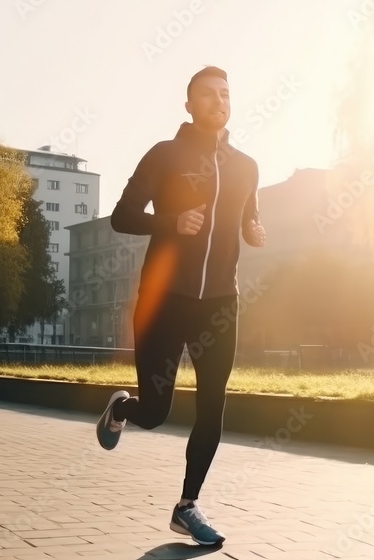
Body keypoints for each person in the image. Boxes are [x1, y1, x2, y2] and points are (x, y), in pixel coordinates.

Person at [97, 66, 265, 546]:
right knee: (157, 410)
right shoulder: (166, 155)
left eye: (226, 93)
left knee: (213, 406)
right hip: (164, 300)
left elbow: (250, 216)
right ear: (189, 105)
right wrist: (170, 222)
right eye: (208, 94)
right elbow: (123, 215)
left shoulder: (247, 166)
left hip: (220, 303)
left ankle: (187, 506)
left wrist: (254, 231)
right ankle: (123, 408)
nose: (219, 100)